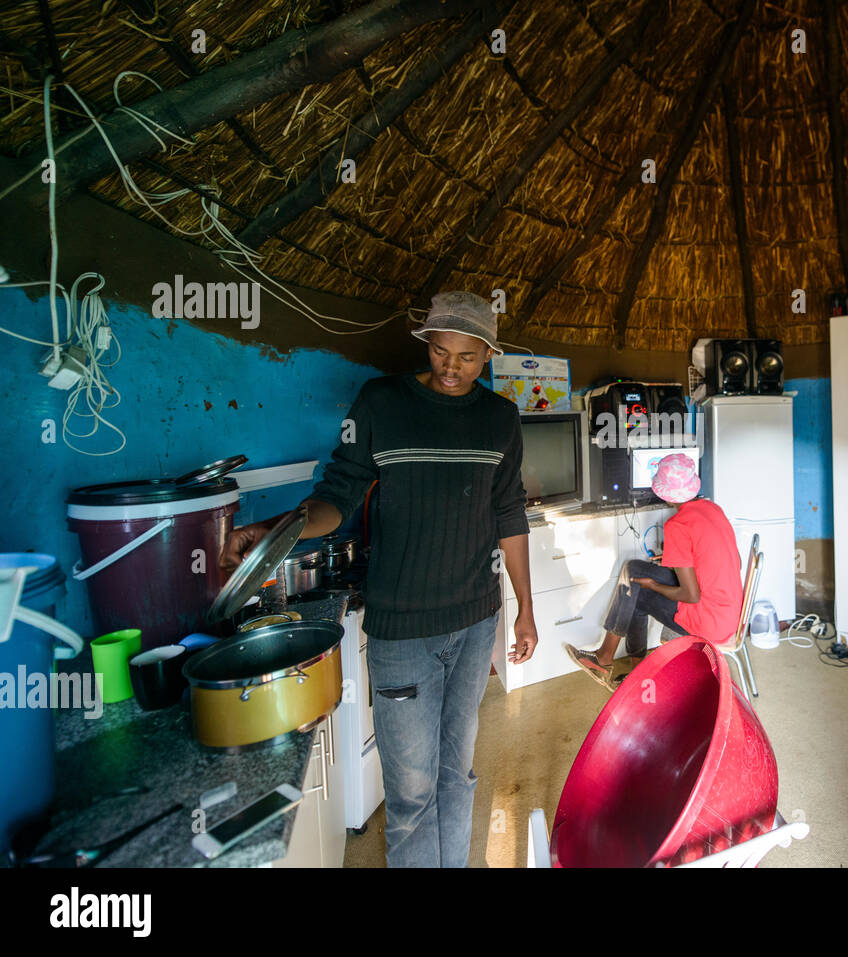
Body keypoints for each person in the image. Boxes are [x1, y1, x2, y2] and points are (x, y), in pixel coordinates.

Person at [221, 291, 538, 868]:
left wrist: (527, 609)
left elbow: (509, 513)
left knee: (457, 771)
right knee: (412, 791)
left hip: (475, 622)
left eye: (467, 358)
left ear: (488, 354)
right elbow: (336, 497)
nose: (451, 367)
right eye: (441, 352)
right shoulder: (381, 402)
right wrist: (278, 531)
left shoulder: (499, 419)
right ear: (427, 344)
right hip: (402, 631)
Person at [563, 453, 741, 690]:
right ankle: (629, 671)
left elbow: (691, 595)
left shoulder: (677, 524)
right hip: (729, 614)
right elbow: (734, 560)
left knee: (636, 584)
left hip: (708, 621)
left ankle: (607, 659)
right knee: (635, 578)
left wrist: (654, 585)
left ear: (664, 492)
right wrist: (680, 560)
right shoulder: (712, 508)